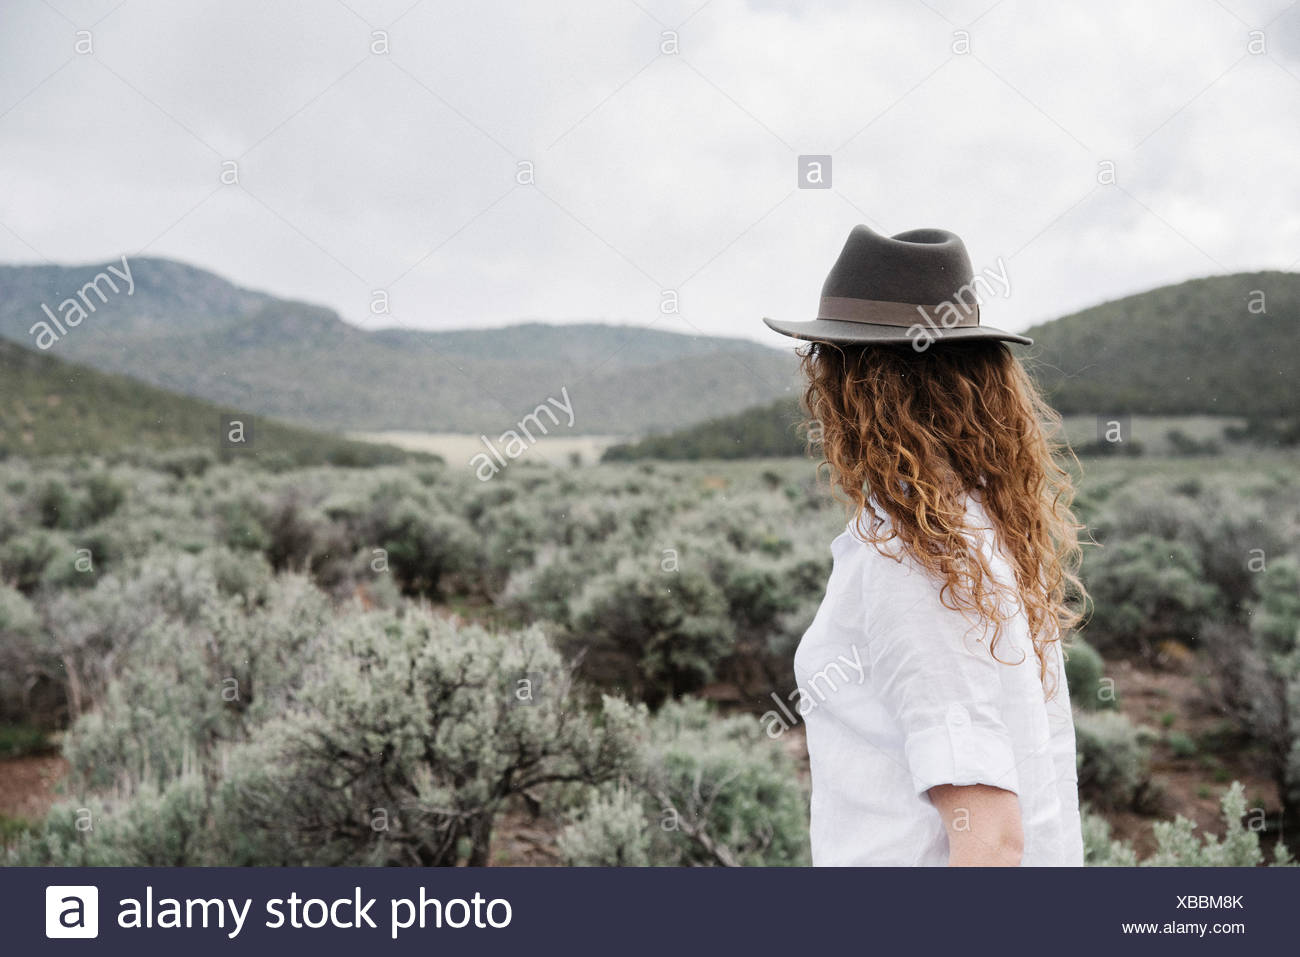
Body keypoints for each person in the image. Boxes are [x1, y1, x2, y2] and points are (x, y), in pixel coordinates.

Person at [763, 225, 1087, 866]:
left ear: (857, 387)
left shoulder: (914, 559)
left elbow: (991, 840)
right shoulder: (971, 529)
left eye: (827, 361)